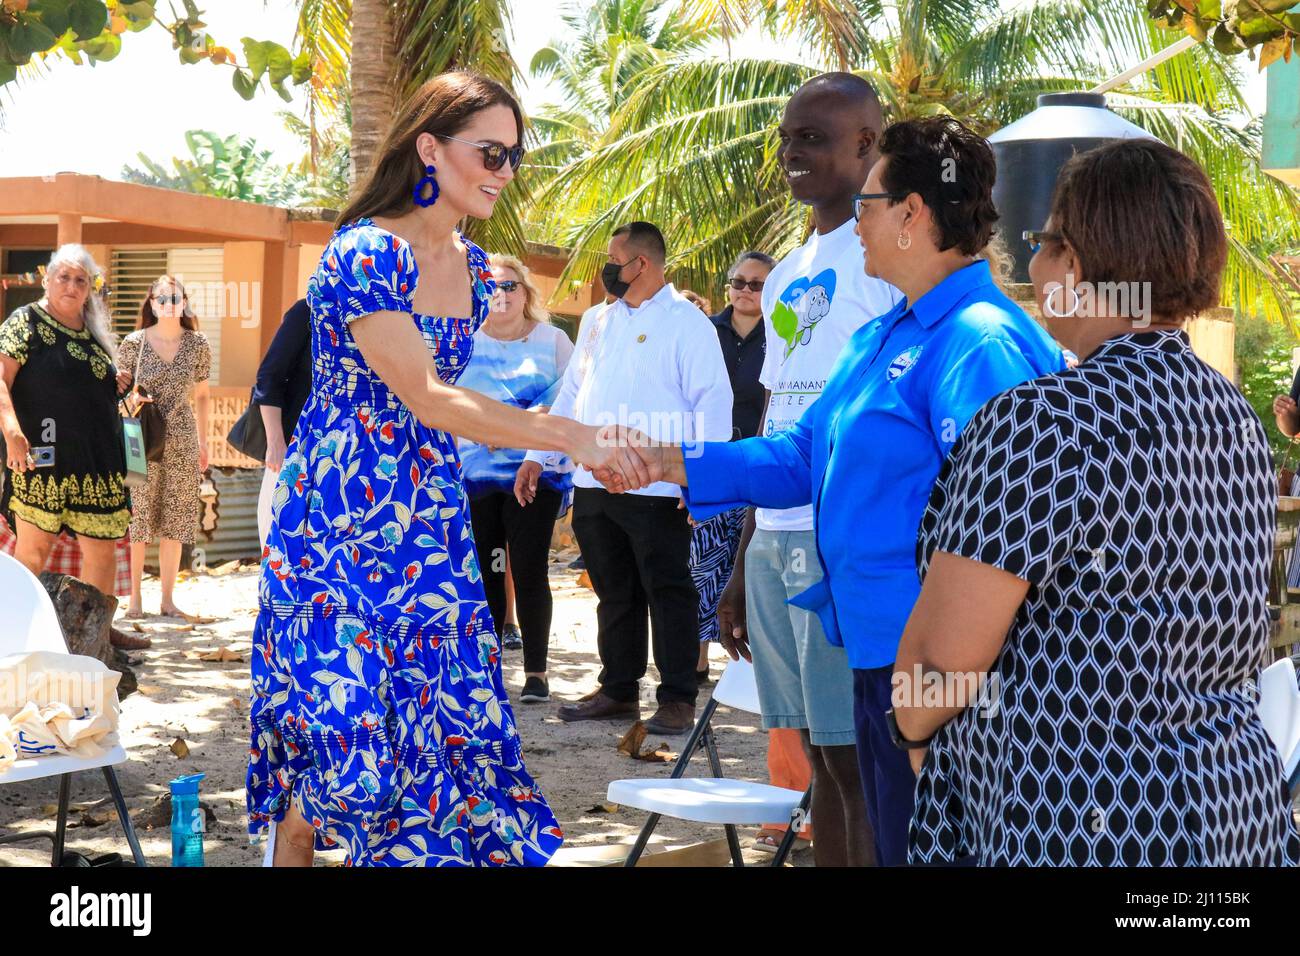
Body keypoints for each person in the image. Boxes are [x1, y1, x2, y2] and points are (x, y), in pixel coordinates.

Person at [610, 116, 1066, 866]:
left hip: (936, 668)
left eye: (869, 204)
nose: (856, 220)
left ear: (913, 214)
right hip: (874, 649)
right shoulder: (885, 334)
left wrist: (935, 687)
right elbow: (801, 454)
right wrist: (672, 461)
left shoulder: (979, 340)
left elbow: (1013, 524)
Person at [248, 69, 644, 868]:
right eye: (489, 152)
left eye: (513, 157)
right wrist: (570, 435)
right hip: (338, 514)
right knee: (343, 739)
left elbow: (458, 400)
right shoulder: (365, 252)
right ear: (429, 147)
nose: (503, 171)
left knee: (431, 731)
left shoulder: (472, 266)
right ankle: (292, 841)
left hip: (425, 515)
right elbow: (427, 395)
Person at [897, 138, 1300, 866]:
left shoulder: (1044, 422)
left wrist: (918, 740)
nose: (1033, 264)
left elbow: (936, 663)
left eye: (1044, 242)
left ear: (1075, 264)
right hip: (1231, 812)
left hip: (1080, 819)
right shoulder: (1231, 413)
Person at [718, 72, 904, 868]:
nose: (793, 152)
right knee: (822, 766)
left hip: (841, 547)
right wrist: (743, 556)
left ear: (868, 145)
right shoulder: (791, 271)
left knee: (862, 764)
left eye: (814, 137)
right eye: (788, 137)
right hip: (776, 543)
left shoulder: (885, 259)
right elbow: (777, 417)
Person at [522, 221, 732, 736]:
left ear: (643, 263)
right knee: (613, 592)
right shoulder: (596, 319)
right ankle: (618, 688)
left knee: (669, 591)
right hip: (594, 482)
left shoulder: (689, 324)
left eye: (615, 258)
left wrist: (703, 479)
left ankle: (678, 696)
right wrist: (537, 453)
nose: (607, 268)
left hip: (659, 487)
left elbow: (713, 403)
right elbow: (572, 394)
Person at [460, 252, 574, 704]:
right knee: (488, 570)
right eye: (491, 286)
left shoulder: (553, 341)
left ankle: (536, 673)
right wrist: (479, 427)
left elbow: (566, 397)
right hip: (476, 474)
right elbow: (448, 399)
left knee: (528, 569)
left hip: (536, 470)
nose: (501, 294)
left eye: (509, 286)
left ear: (526, 293)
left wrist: (519, 432)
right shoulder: (466, 342)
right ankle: (488, 676)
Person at [0, 245, 129, 601]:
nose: (72, 286)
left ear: (89, 288)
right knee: (33, 554)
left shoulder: (94, 335)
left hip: (97, 463)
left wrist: (119, 382)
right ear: (47, 280)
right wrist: (12, 432)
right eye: (64, 277)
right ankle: (15, 641)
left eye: (81, 281)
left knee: (102, 555)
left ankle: (90, 646)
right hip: (42, 457)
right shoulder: (25, 322)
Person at [691, 251, 773, 686]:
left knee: (752, 567)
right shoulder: (705, 333)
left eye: (755, 284)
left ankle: (750, 669)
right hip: (714, 463)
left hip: (763, 464)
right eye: (737, 281)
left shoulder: (783, 335)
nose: (743, 290)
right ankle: (696, 663)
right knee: (702, 564)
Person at [117, 276, 212, 620]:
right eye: (162, 298)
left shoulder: (198, 343)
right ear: (152, 304)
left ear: (183, 302)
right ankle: (135, 598)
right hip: (139, 437)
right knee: (139, 518)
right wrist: (131, 398)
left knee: (176, 518)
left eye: (175, 297)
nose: (169, 303)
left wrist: (204, 441)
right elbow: (116, 394)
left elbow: (202, 395)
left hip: (183, 437)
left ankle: (168, 599)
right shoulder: (133, 343)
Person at [252, 298, 312, 546]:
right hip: (292, 444)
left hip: (346, 448)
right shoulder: (306, 311)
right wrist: (275, 440)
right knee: (275, 531)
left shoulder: (376, 316)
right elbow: (269, 377)